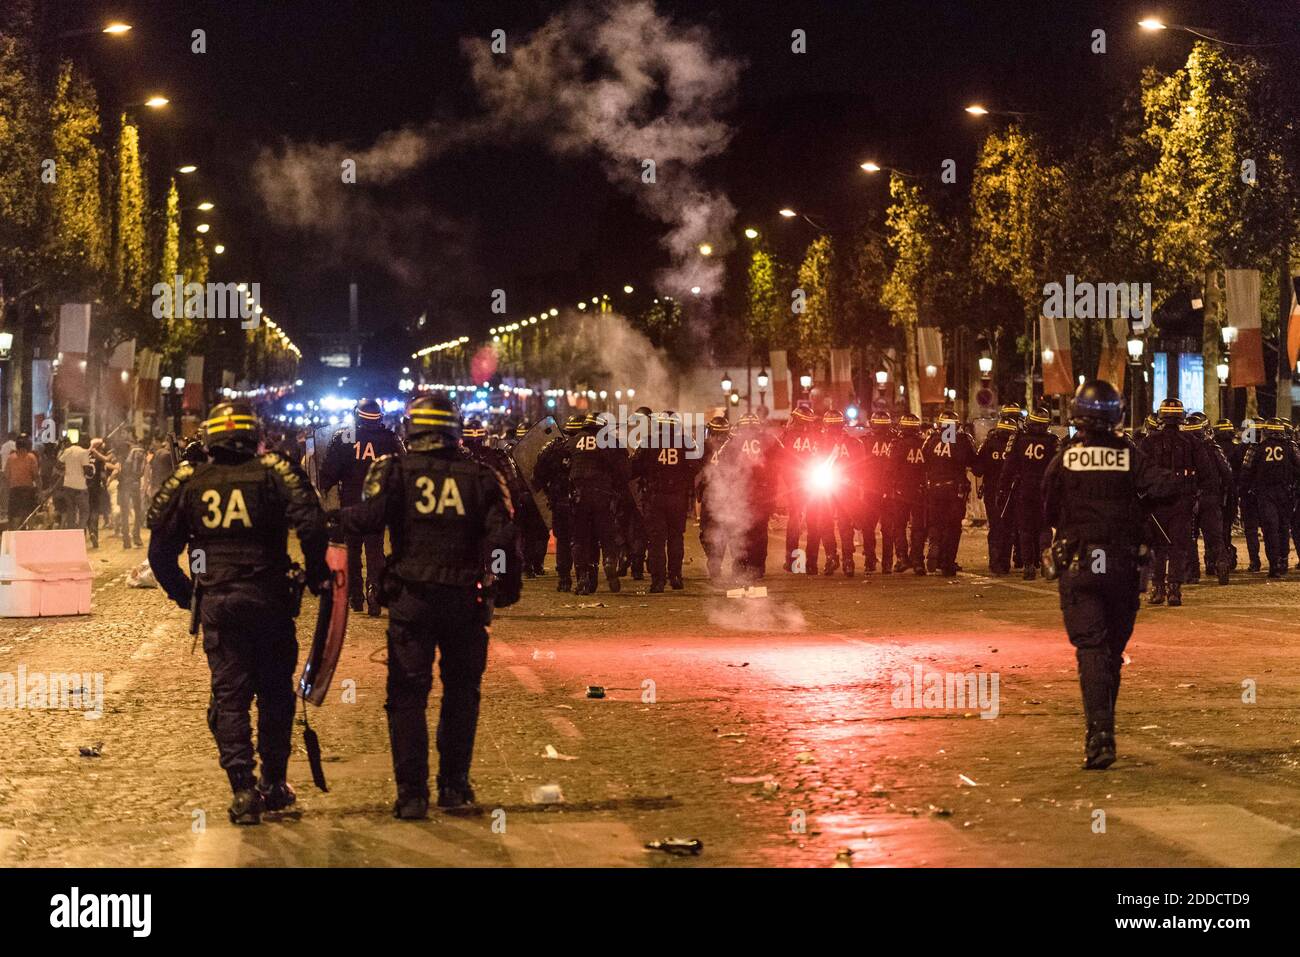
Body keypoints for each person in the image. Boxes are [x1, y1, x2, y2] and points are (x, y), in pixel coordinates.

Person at [336, 393, 520, 818]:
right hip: (465, 601)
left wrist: (325, 522)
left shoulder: (394, 471)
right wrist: (505, 588)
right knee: (461, 694)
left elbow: (368, 519)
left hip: (411, 600)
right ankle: (454, 788)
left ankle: (412, 795)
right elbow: (503, 539)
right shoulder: (483, 476)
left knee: (406, 696)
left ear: (412, 428)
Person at [147, 401, 329, 825]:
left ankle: (243, 792)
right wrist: (319, 576)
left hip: (219, 602)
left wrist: (187, 594)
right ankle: (275, 783)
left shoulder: (191, 479)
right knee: (275, 694)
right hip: (269, 600)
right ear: (254, 435)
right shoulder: (274, 472)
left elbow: (159, 552)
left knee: (229, 698)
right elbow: (314, 524)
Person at [1043, 380, 1181, 769]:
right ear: (1117, 414)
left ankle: (1098, 734)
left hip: (1080, 563)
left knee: (1090, 647)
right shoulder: (1129, 454)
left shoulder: (1067, 455)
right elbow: (1168, 487)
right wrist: (1137, 505)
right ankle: (1105, 729)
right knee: (1112, 652)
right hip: (1121, 565)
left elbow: (1046, 503)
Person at [319, 398, 404, 615]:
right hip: (378, 506)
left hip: (351, 504)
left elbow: (328, 471)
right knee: (376, 551)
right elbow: (403, 469)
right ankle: (374, 591)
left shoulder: (345, 437)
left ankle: (355, 595)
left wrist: (324, 487)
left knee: (353, 551)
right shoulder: (390, 439)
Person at [1139, 398, 1213, 604]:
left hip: (1156, 503)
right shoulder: (1192, 442)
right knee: (1178, 546)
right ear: (1181, 417)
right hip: (1183, 501)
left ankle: (1158, 589)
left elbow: (1137, 474)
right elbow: (1206, 473)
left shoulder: (1148, 442)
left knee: (1158, 546)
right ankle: (1175, 589)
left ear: (1160, 416)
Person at [632, 411, 701, 592]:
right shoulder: (687, 442)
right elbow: (695, 466)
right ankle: (676, 575)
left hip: (654, 497)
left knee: (656, 540)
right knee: (676, 537)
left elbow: (634, 467)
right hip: (677, 497)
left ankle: (658, 580)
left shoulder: (647, 441)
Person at [567, 412, 630, 595]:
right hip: (603, 496)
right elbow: (625, 471)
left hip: (578, 497)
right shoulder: (610, 442)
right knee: (606, 536)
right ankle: (609, 563)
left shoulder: (572, 441)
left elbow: (559, 465)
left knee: (580, 538)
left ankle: (583, 577)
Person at [718, 411, 782, 581]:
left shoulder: (732, 442)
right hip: (763, 492)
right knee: (759, 532)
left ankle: (740, 564)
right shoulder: (769, 440)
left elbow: (721, 467)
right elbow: (780, 463)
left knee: (740, 530)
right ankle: (757, 566)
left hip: (741, 492)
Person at [998, 406, 1059, 580]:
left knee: (1025, 529)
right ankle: (1046, 563)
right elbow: (1058, 469)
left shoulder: (1018, 439)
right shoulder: (1053, 441)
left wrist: (1002, 488)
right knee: (1044, 528)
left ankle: (1028, 566)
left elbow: (1008, 467)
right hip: (1044, 491)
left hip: (1023, 490)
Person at [1239, 417, 1300, 578]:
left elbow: (1246, 471)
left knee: (1270, 528)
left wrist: (1244, 492)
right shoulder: (1290, 447)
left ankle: (1274, 565)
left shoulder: (1257, 448)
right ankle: (1283, 560)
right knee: (1283, 527)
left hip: (1265, 494)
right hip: (1285, 493)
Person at [533, 414, 585, 591]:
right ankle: (583, 577)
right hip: (582, 502)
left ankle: (564, 579)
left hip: (560, 501)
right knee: (581, 539)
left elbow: (537, 475)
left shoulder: (553, 448)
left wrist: (548, 492)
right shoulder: (593, 449)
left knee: (563, 540)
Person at [921, 410, 976, 577]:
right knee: (953, 527)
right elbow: (974, 462)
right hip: (954, 489)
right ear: (956, 425)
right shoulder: (962, 441)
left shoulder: (931, 440)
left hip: (934, 488)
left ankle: (934, 544)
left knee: (936, 522)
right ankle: (947, 562)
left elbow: (924, 460)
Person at [972, 407, 1020, 574]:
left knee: (996, 527)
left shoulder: (989, 443)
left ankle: (995, 562)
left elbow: (977, 469)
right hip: (1011, 492)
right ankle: (1005, 563)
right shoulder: (1017, 445)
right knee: (1008, 527)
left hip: (992, 491)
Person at [886, 413, 927, 574]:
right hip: (920, 490)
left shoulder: (897, 444)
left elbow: (890, 469)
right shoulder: (925, 443)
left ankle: (902, 558)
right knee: (918, 526)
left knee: (899, 525)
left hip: (901, 490)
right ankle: (917, 560)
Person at [781, 405, 819, 572]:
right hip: (812, 483)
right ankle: (810, 563)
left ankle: (794, 563)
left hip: (798, 483)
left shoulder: (786, 435)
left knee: (796, 521)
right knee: (813, 523)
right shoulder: (817, 436)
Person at [696, 414, 733, 579]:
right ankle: (715, 560)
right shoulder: (733, 446)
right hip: (719, 494)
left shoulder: (703, 447)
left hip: (716, 494)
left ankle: (714, 561)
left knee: (710, 530)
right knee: (717, 531)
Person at [859, 411, 895, 574]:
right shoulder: (895, 441)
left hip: (870, 489)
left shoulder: (865, 441)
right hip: (889, 489)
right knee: (888, 528)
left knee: (868, 527)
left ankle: (870, 559)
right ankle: (887, 562)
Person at [57, 436, 92, 536]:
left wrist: (67, 469)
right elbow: (86, 471)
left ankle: (71, 535)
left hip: (67, 485)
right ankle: (79, 533)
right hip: (80, 487)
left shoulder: (68, 450)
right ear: (84, 442)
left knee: (71, 512)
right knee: (84, 512)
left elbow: (58, 464)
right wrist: (90, 470)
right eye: (88, 441)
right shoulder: (84, 452)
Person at [116, 434, 147, 548]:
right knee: (137, 511)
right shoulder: (141, 452)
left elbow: (119, 468)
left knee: (124, 512)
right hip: (135, 484)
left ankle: (126, 540)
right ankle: (136, 537)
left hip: (124, 485)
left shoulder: (122, 452)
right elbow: (143, 469)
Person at [5, 435, 39, 531]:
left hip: (14, 490)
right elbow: (36, 475)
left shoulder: (11, 458)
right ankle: (30, 535)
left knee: (15, 516)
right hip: (28, 490)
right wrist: (39, 490)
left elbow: (6, 475)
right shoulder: (31, 457)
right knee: (30, 515)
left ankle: (15, 536)